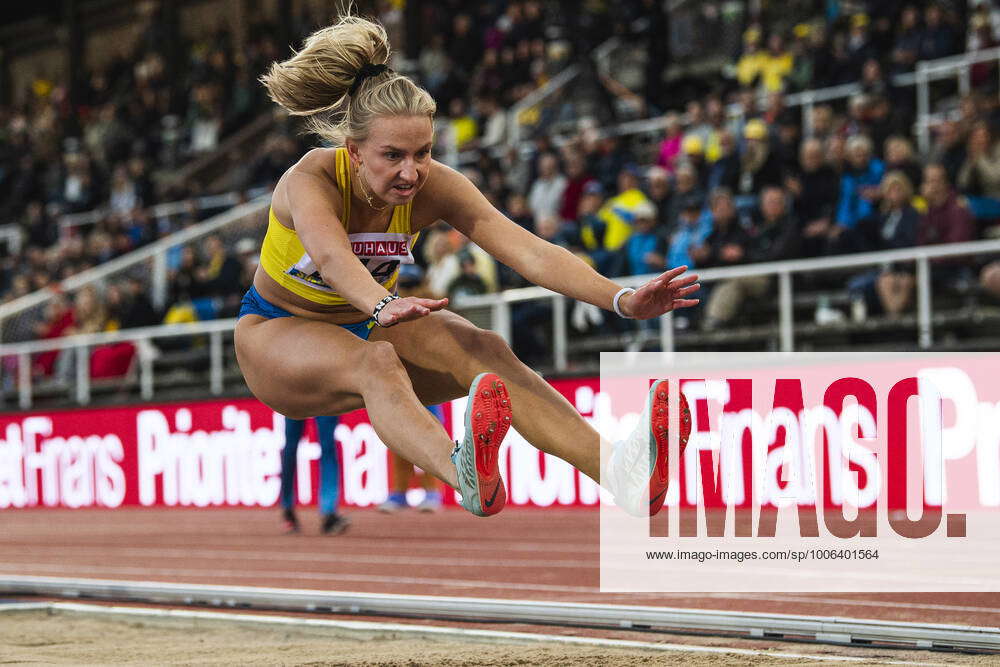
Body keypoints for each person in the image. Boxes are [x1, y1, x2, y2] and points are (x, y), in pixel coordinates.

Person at [236, 16, 700, 520]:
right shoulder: (311, 179)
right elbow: (331, 258)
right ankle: (463, 474)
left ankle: (622, 474)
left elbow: (529, 252)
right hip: (277, 333)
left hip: (366, 323)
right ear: (354, 151)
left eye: (423, 153)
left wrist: (622, 299)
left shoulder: (435, 186)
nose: (411, 172)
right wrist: (383, 303)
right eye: (392, 155)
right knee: (377, 361)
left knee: (486, 349)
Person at [280, 415, 348, 534]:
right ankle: (287, 507)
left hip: (323, 404)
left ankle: (329, 513)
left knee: (328, 447)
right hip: (297, 403)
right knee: (291, 447)